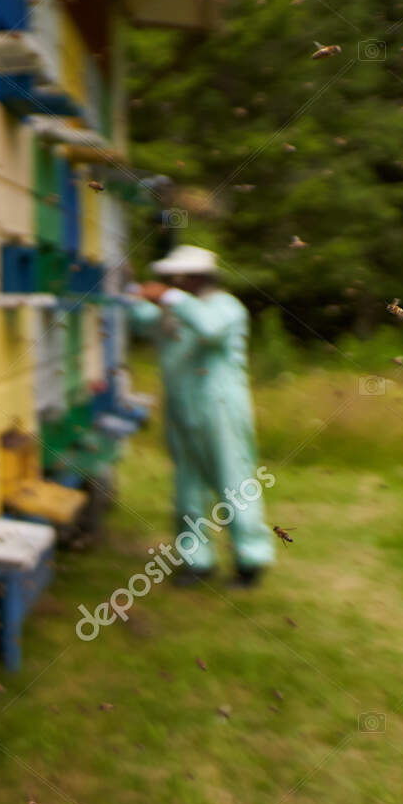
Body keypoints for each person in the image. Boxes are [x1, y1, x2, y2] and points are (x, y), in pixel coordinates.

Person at [126, 245, 275, 587]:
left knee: (233, 481)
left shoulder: (226, 307)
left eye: (175, 279)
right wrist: (129, 291)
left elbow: (209, 329)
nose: (168, 284)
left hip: (220, 406)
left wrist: (168, 297)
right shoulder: (176, 310)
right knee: (187, 487)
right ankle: (197, 561)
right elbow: (138, 321)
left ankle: (251, 560)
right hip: (181, 406)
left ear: (194, 278)